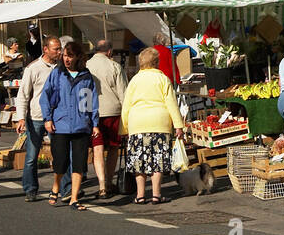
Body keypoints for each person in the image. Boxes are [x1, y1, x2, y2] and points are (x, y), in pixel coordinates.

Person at [120, 48, 186, 204]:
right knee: (158, 160)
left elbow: (126, 106)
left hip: (137, 124)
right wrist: (178, 126)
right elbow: (172, 104)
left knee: (139, 161)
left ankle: (140, 195)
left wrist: (123, 129)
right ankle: (156, 195)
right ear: (156, 62)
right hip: (159, 124)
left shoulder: (134, 81)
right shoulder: (162, 79)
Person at [41, 42, 100, 210]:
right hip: (60, 124)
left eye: (70, 56)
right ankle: (56, 185)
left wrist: (94, 123)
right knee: (61, 161)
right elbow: (45, 96)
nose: (66, 59)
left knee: (79, 163)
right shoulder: (57, 74)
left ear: (78, 57)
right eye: (65, 55)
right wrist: (48, 118)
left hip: (81, 125)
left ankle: (74, 198)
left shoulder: (86, 76)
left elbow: (90, 102)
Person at [16, 36, 67, 202]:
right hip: (37, 117)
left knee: (60, 154)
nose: (59, 52)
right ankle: (30, 188)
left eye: (60, 49)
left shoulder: (62, 68)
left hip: (57, 117)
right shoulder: (34, 68)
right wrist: (21, 118)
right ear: (45, 49)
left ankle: (66, 189)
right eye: (56, 49)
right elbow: (23, 94)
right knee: (32, 156)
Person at [85, 39, 127, 198]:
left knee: (97, 149)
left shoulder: (86, 65)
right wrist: (126, 114)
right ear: (109, 52)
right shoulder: (114, 66)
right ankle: (109, 181)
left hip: (92, 112)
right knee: (114, 148)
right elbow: (123, 93)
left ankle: (101, 184)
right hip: (113, 111)